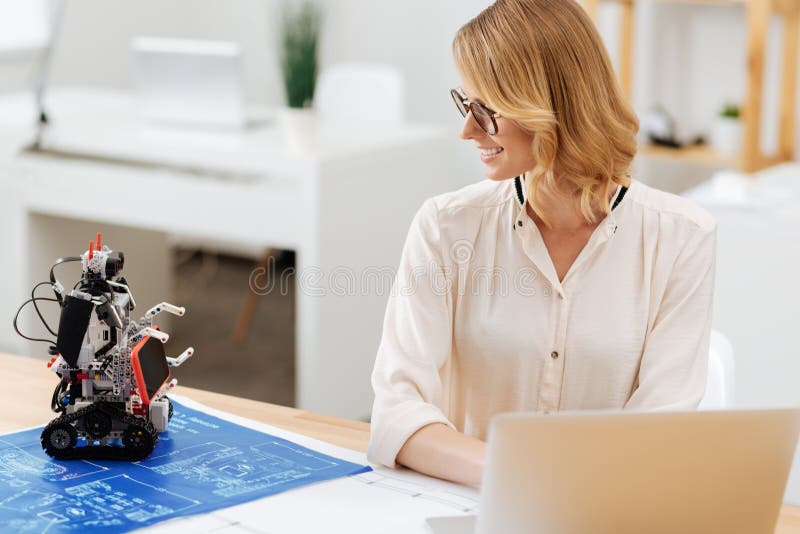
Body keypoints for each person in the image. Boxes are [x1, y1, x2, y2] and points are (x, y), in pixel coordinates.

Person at [367, 0, 716, 487]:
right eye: (466, 104)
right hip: (470, 505)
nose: (467, 130)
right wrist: (522, 477)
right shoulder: (446, 226)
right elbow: (396, 412)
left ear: (551, 107)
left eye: (487, 111)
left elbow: (660, 428)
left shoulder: (681, 237)